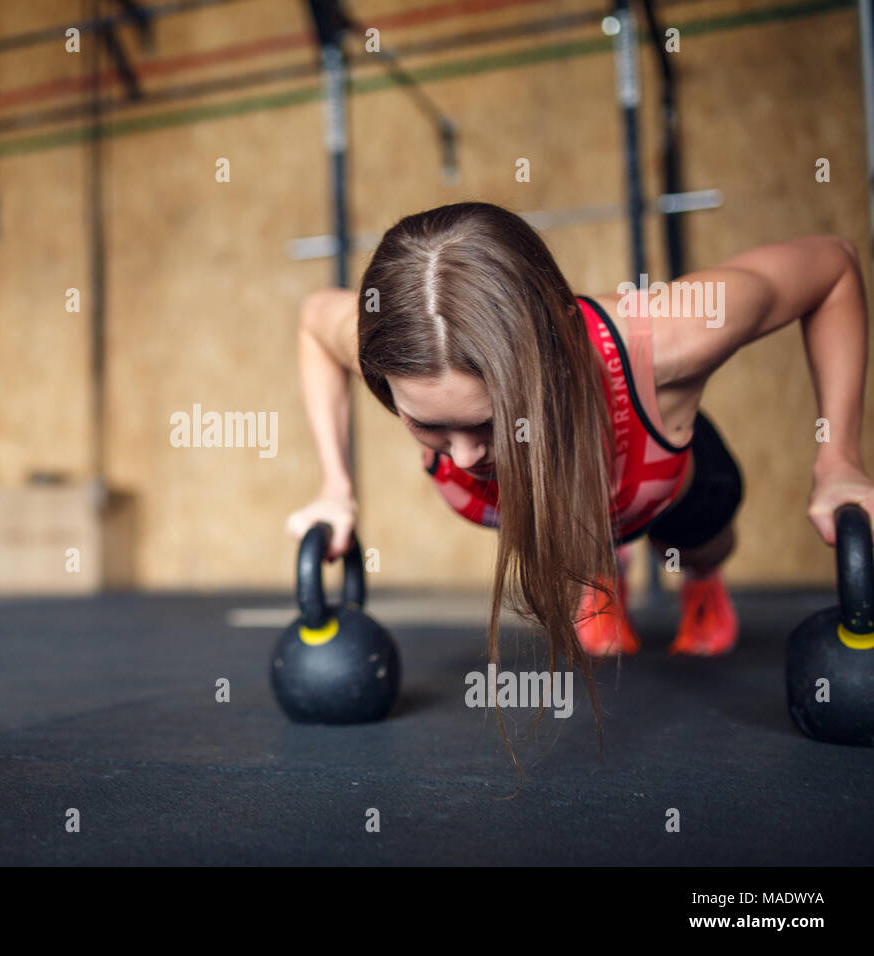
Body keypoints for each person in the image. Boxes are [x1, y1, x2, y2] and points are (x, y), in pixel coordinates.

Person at [286, 201, 872, 728]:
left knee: (704, 542)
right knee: (568, 525)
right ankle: (599, 566)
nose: (464, 457)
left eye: (489, 424)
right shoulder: (397, 343)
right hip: (581, 508)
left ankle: (701, 580)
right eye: (429, 426)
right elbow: (317, 317)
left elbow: (832, 266)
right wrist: (335, 486)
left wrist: (839, 457)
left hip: (666, 483)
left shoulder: (672, 336)